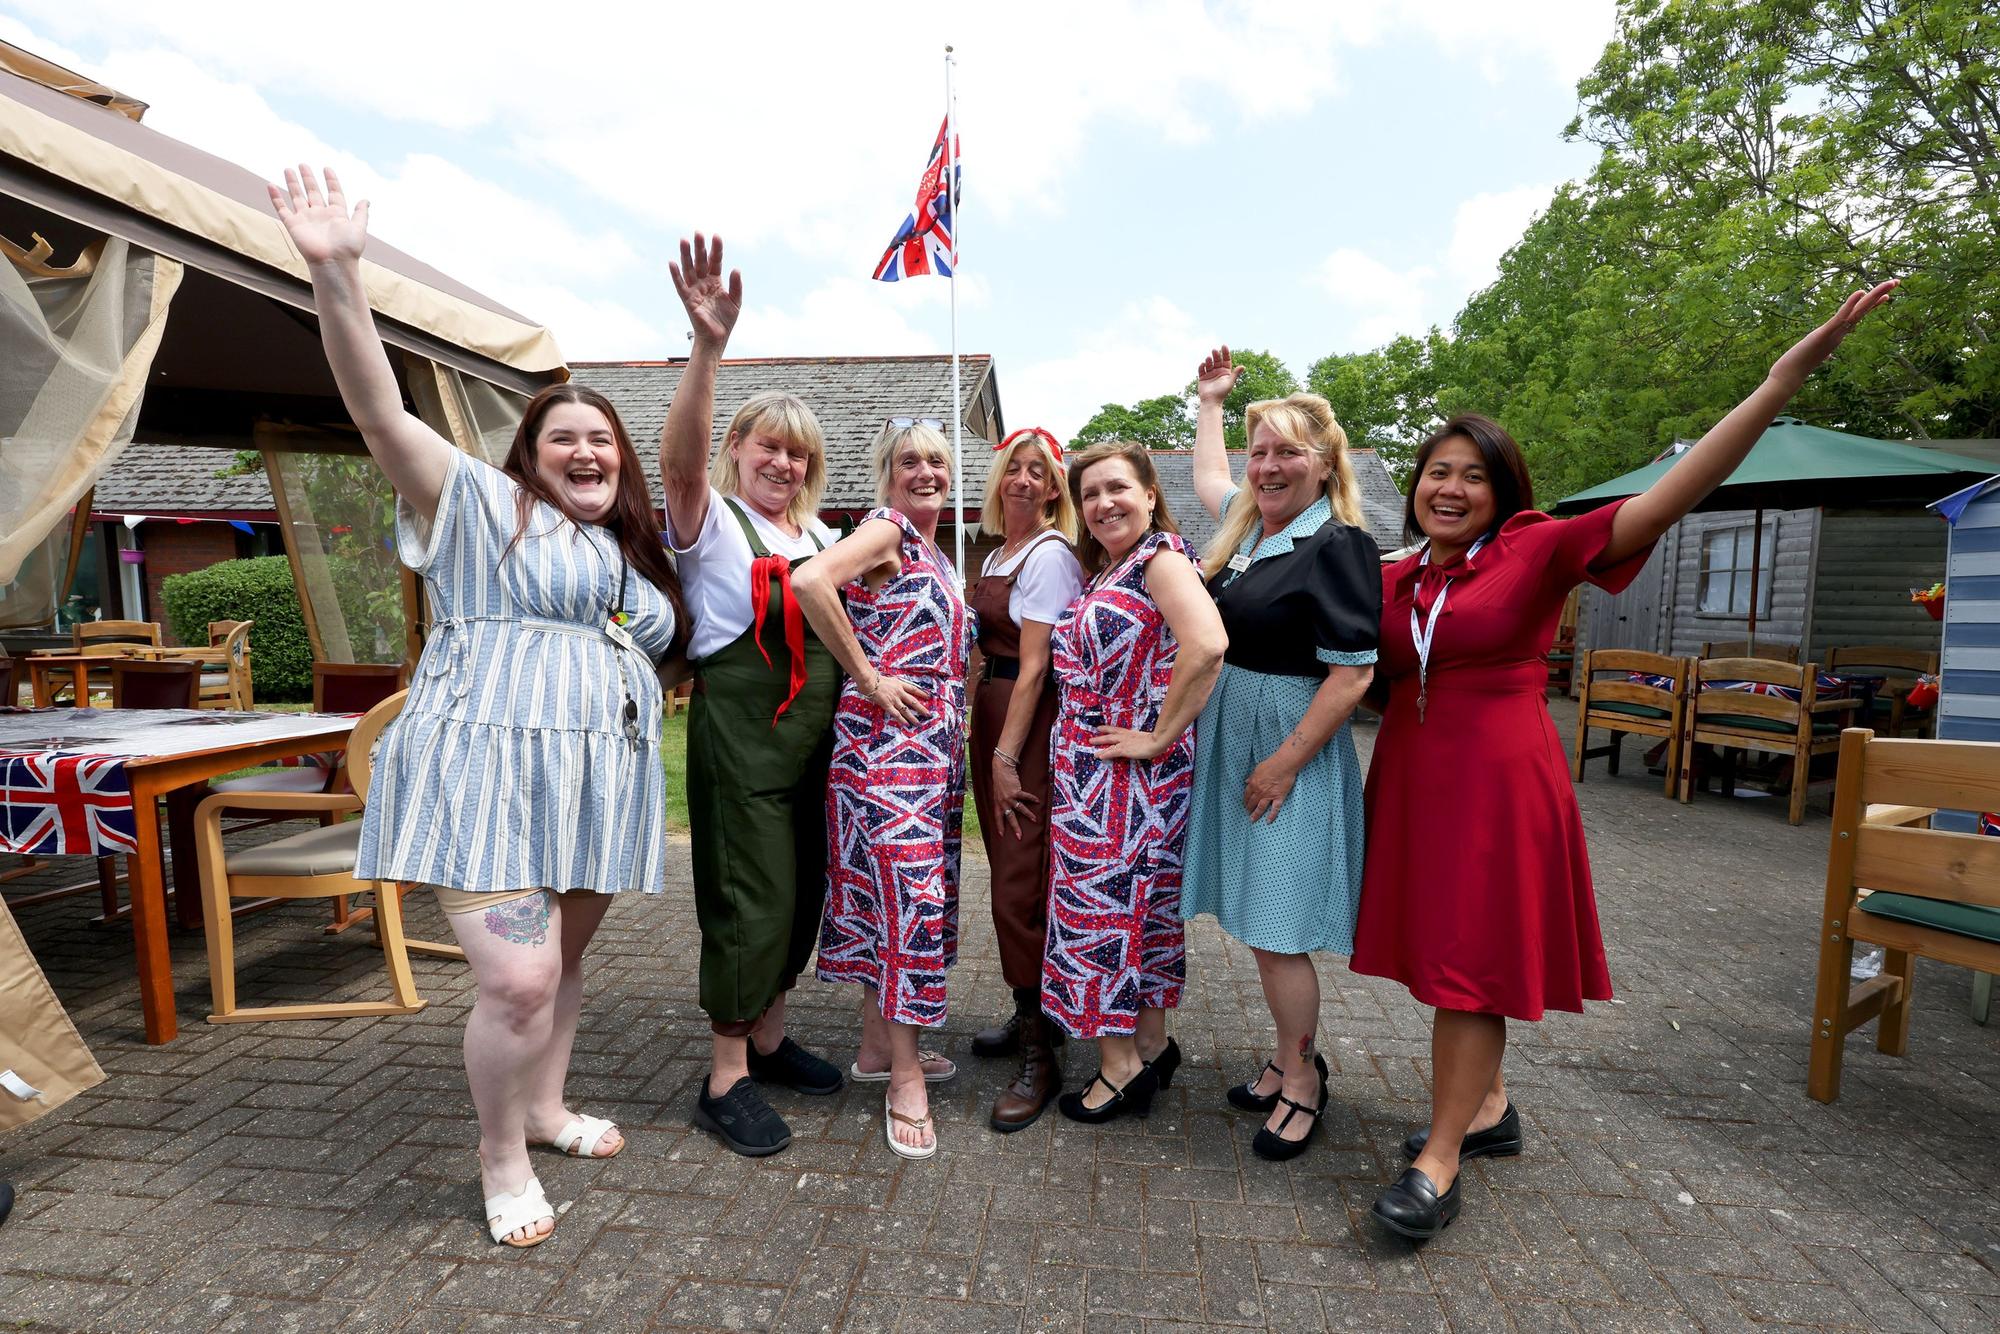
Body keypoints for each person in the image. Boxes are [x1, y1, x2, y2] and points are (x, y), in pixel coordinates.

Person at [1353, 280, 1900, 1239]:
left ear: (1503, 494)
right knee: (1441, 954)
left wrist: (1782, 379)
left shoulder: (1537, 550)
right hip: (1413, 781)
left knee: (1469, 966)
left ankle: (1439, 1161)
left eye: (1472, 475)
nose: (1449, 488)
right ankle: (1488, 1109)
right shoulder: (1398, 577)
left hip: (1498, 786)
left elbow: (1674, 494)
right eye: (1436, 471)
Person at [272, 167, 684, 1249]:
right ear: (527, 459)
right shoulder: (480, 506)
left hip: (595, 783)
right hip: (485, 773)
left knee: (563, 966)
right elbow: (378, 410)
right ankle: (502, 1155)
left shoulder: (628, 553)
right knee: (519, 977)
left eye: (602, 439)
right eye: (564, 439)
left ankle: (545, 1108)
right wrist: (336, 274)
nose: (587, 450)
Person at [658, 235, 848, 1157]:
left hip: (816, 743)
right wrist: (708, 348)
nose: (783, 464)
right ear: (736, 449)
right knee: (751, 896)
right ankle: (724, 1076)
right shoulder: (711, 522)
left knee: (802, 893)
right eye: (768, 446)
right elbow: (679, 464)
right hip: (743, 736)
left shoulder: (821, 536)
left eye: (797, 454)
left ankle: (769, 1040)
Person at [1180, 354, 1380, 1161]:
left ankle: (1303, 1079)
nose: (1267, 466)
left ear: (1324, 464)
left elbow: (1353, 674)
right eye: (1259, 452)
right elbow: (1207, 476)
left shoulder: (1337, 544)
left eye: (1287, 452)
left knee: (1276, 928)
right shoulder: (1252, 529)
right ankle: (1283, 1058)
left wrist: (1286, 763)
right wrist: (1210, 404)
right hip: (1240, 735)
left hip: (1288, 746)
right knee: (1259, 918)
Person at [793, 419, 972, 1160]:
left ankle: (875, 1047)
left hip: (929, 755)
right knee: (908, 905)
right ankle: (904, 1075)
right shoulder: (888, 529)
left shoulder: (932, 549)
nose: (925, 472)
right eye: (909, 461)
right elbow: (809, 581)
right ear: (887, 474)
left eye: (937, 460)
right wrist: (870, 677)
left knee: (896, 899)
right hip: (887, 751)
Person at [1043, 442, 1225, 1123]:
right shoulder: (1114, 570)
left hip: (1123, 782)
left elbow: (1208, 645)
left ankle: (1119, 1069)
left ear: (1150, 494)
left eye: (1117, 487)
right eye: (1089, 494)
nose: (1102, 503)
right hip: (1104, 777)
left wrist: (1158, 734)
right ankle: (1150, 1046)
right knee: (1139, 913)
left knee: (1101, 916)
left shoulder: (1160, 560)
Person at [966, 426, 1084, 1132]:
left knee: (1021, 878)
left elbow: (1037, 666)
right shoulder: (996, 552)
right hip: (993, 712)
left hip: (1025, 720)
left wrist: (1007, 758)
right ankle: (1028, 1009)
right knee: (1007, 869)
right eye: (1015, 467)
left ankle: (1043, 1050)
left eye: (1039, 471)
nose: (1023, 480)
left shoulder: (1048, 555)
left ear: (1053, 488)